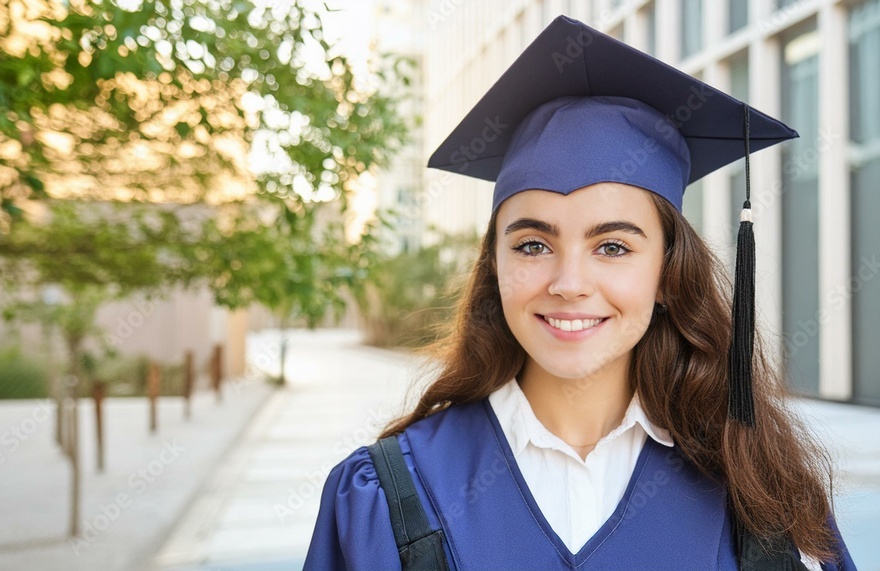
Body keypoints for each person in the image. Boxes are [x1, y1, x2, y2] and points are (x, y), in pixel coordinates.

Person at [303, 15, 857, 571]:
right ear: (492, 265)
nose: (569, 284)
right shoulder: (392, 492)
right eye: (532, 246)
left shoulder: (758, 491)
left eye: (612, 246)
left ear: (667, 273)